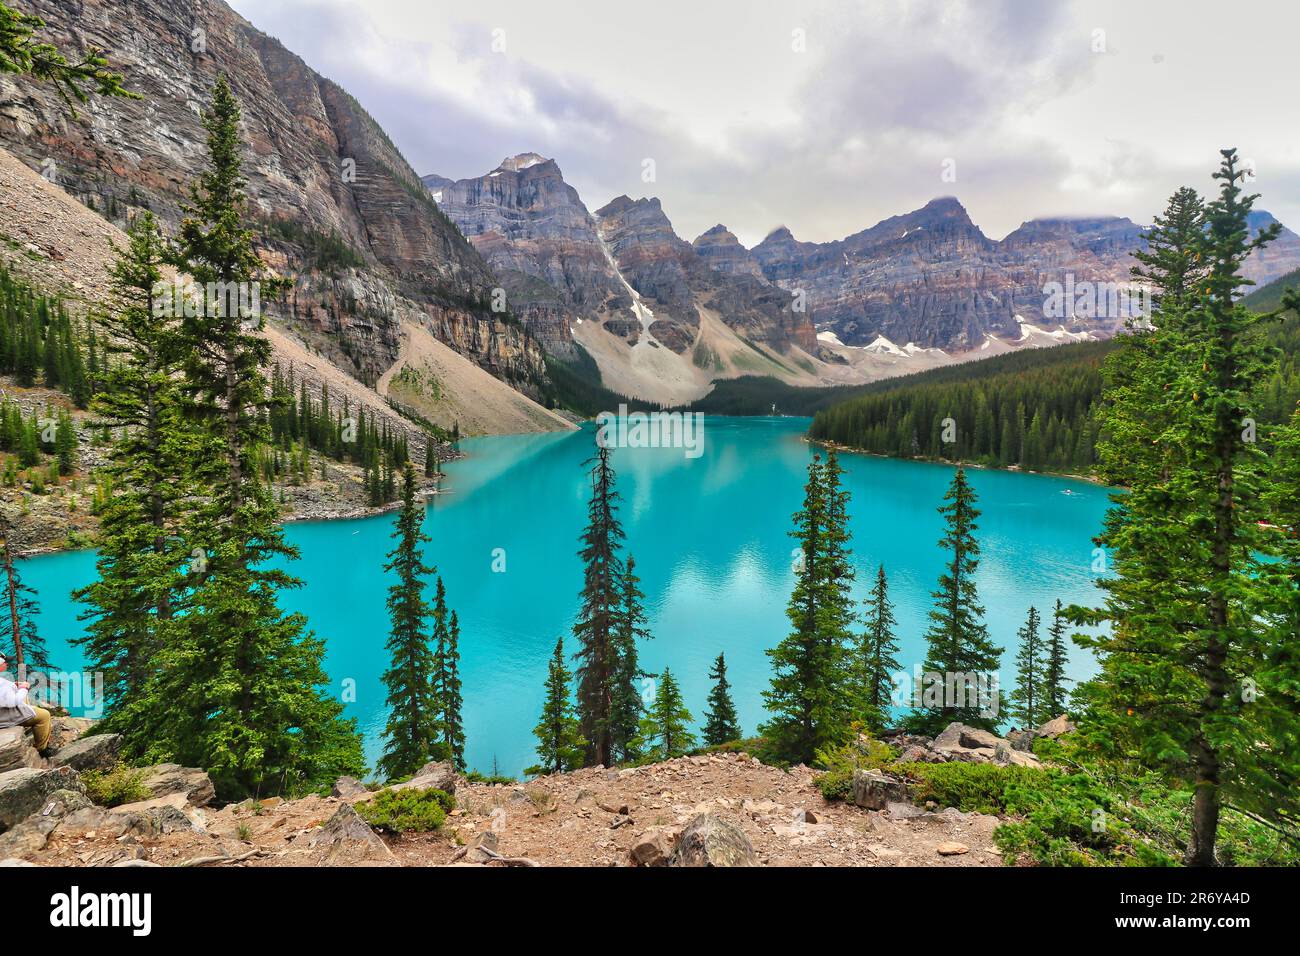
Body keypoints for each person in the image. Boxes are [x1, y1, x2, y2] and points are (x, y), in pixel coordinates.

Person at [0, 653, 51, 755]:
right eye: (4, 662)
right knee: (44, 715)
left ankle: (28, 716)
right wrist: (24, 688)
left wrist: (14, 685)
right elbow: (12, 703)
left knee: (24, 697)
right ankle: (42, 749)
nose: (6, 664)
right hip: (4, 715)